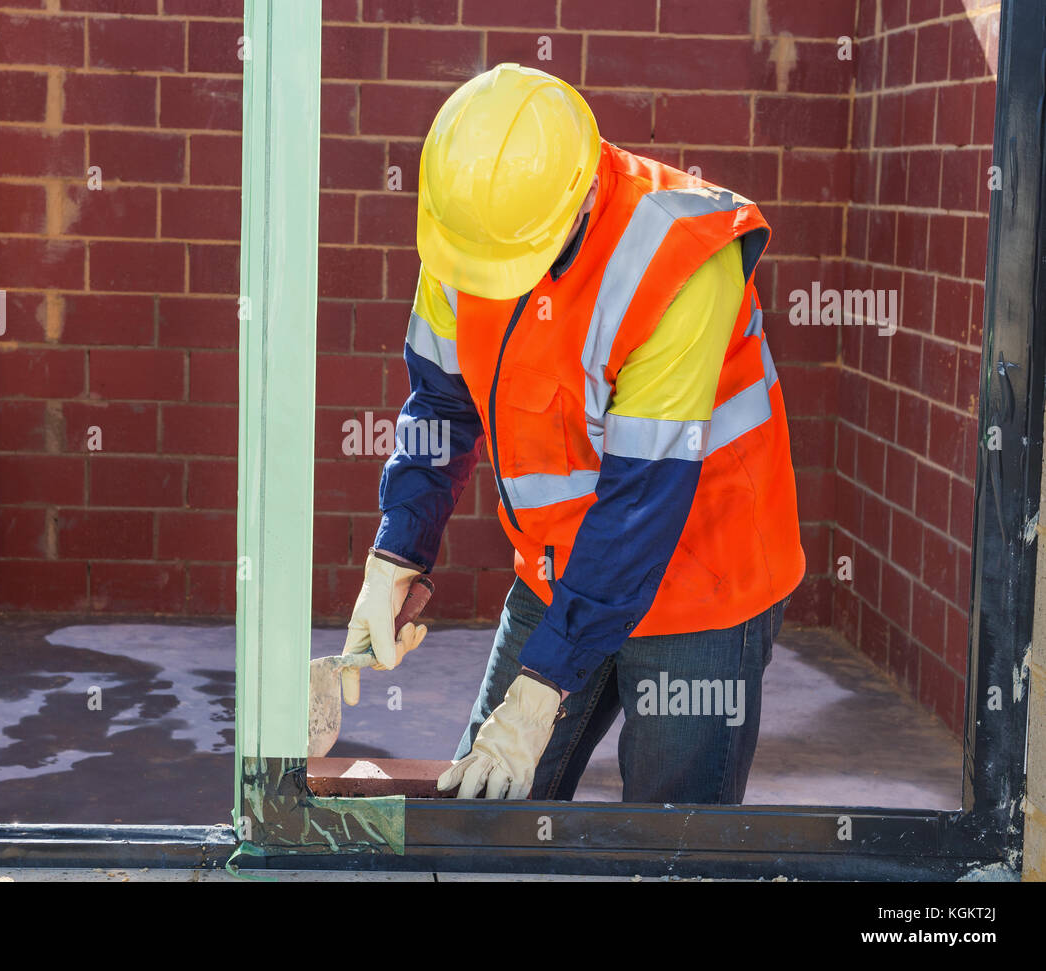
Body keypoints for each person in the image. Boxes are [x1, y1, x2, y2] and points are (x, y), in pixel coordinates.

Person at [339, 64, 804, 804]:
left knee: (667, 839)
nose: (495, 287)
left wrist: (542, 686)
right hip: (559, 567)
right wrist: (399, 551)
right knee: (482, 809)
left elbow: (641, 503)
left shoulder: (679, 260)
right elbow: (440, 407)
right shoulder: (467, 235)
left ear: (585, 196)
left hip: (703, 579)